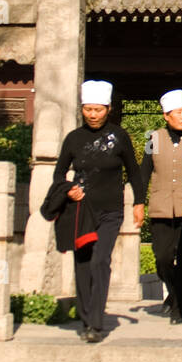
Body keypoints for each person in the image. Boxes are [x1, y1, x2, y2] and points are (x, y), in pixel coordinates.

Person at [39, 80, 144, 343]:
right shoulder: (73, 139)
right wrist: (67, 189)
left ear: (108, 108)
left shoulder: (119, 136)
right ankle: (86, 318)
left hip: (111, 211)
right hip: (81, 212)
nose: (93, 114)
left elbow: (134, 172)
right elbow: (58, 173)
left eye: (98, 109)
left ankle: (96, 322)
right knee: (83, 264)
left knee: (100, 261)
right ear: (82, 109)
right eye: (88, 109)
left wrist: (140, 203)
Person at [134, 89, 182, 325]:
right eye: (179, 112)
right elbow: (143, 173)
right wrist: (138, 202)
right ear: (166, 115)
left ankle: (178, 309)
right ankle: (174, 293)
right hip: (161, 206)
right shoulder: (152, 138)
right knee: (161, 258)